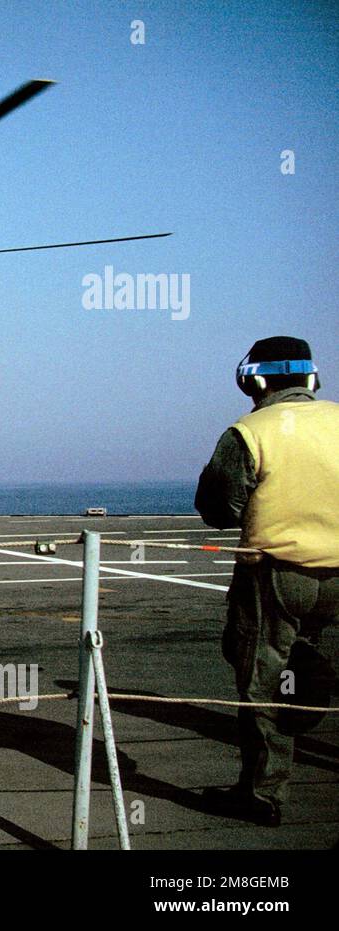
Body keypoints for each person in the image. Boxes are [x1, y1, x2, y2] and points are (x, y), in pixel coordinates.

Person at [195, 336, 339, 826]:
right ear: (310, 379)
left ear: (252, 380)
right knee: (309, 668)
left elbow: (218, 509)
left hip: (275, 574)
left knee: (261, 679)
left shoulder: (250, 431)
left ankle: (262, 792)